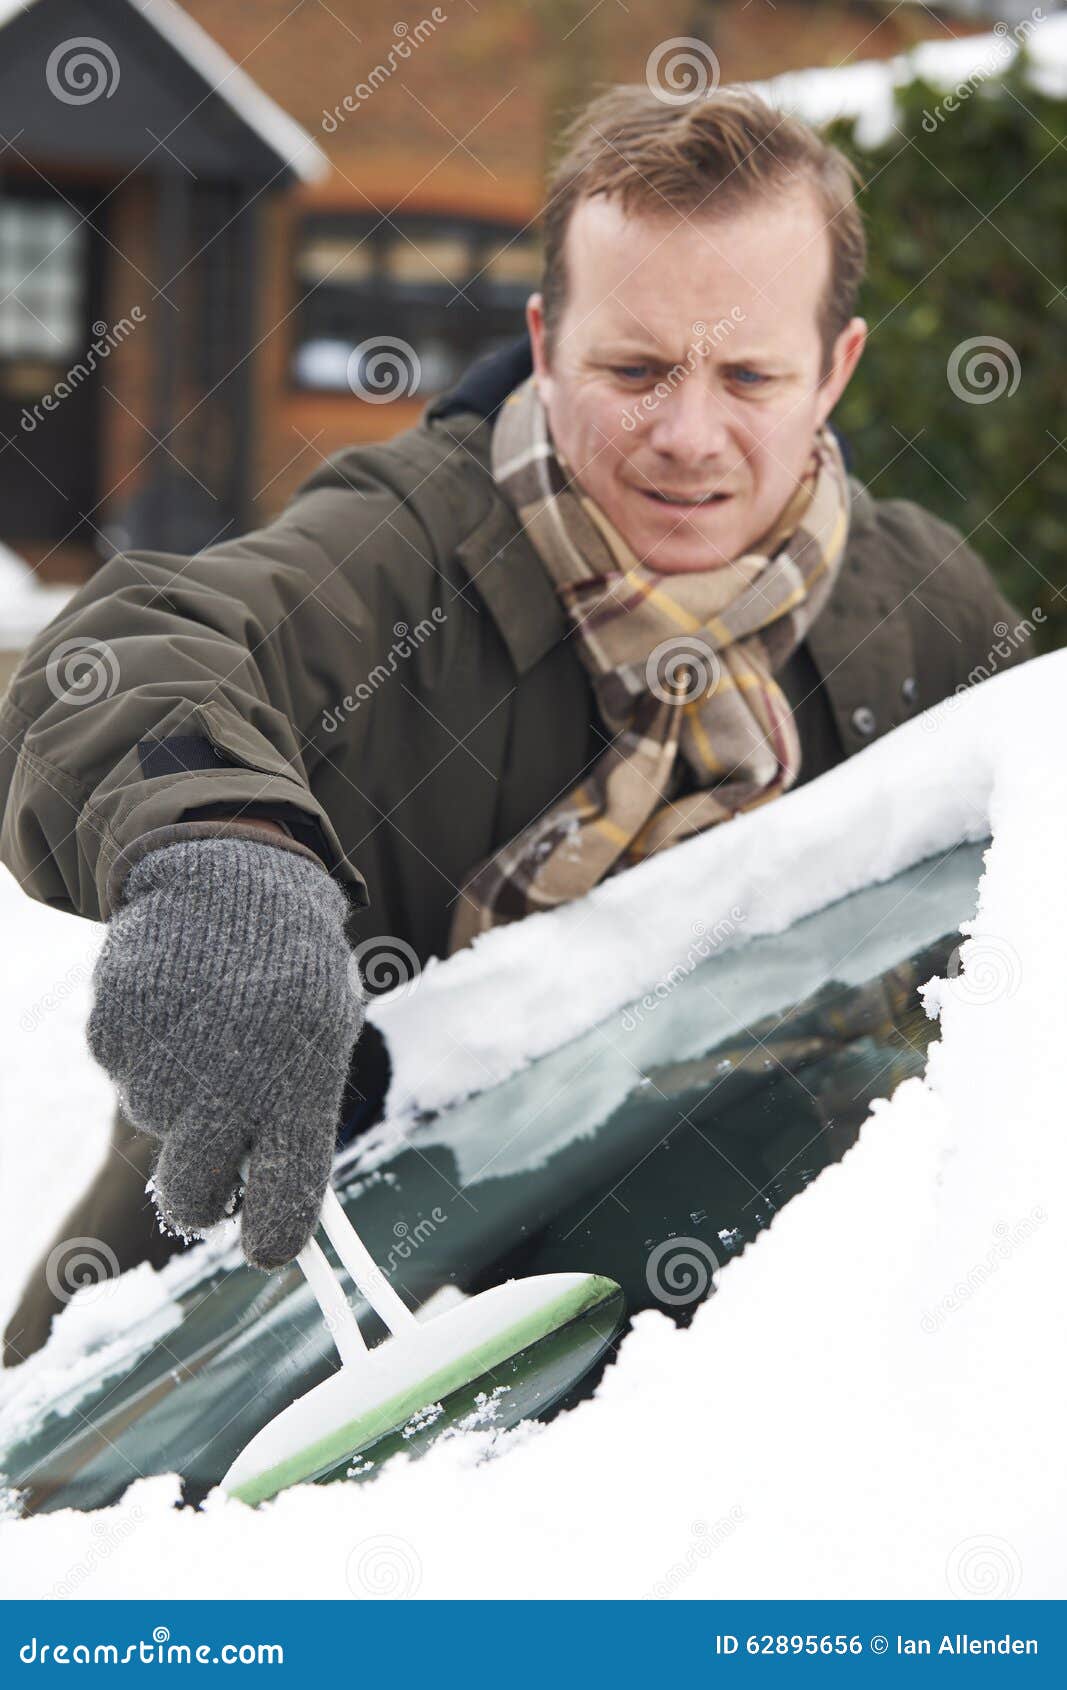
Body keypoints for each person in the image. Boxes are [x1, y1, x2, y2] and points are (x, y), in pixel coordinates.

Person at [0, 84, 1033, 1367]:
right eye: (633, 367)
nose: (687, 435)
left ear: (835, 369)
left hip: (731, 1382)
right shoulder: (407, 543)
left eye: (750, 374)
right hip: (251, 1357)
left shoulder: (932, 611)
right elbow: (124, 649)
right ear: (544, 346)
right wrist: (218, 842)